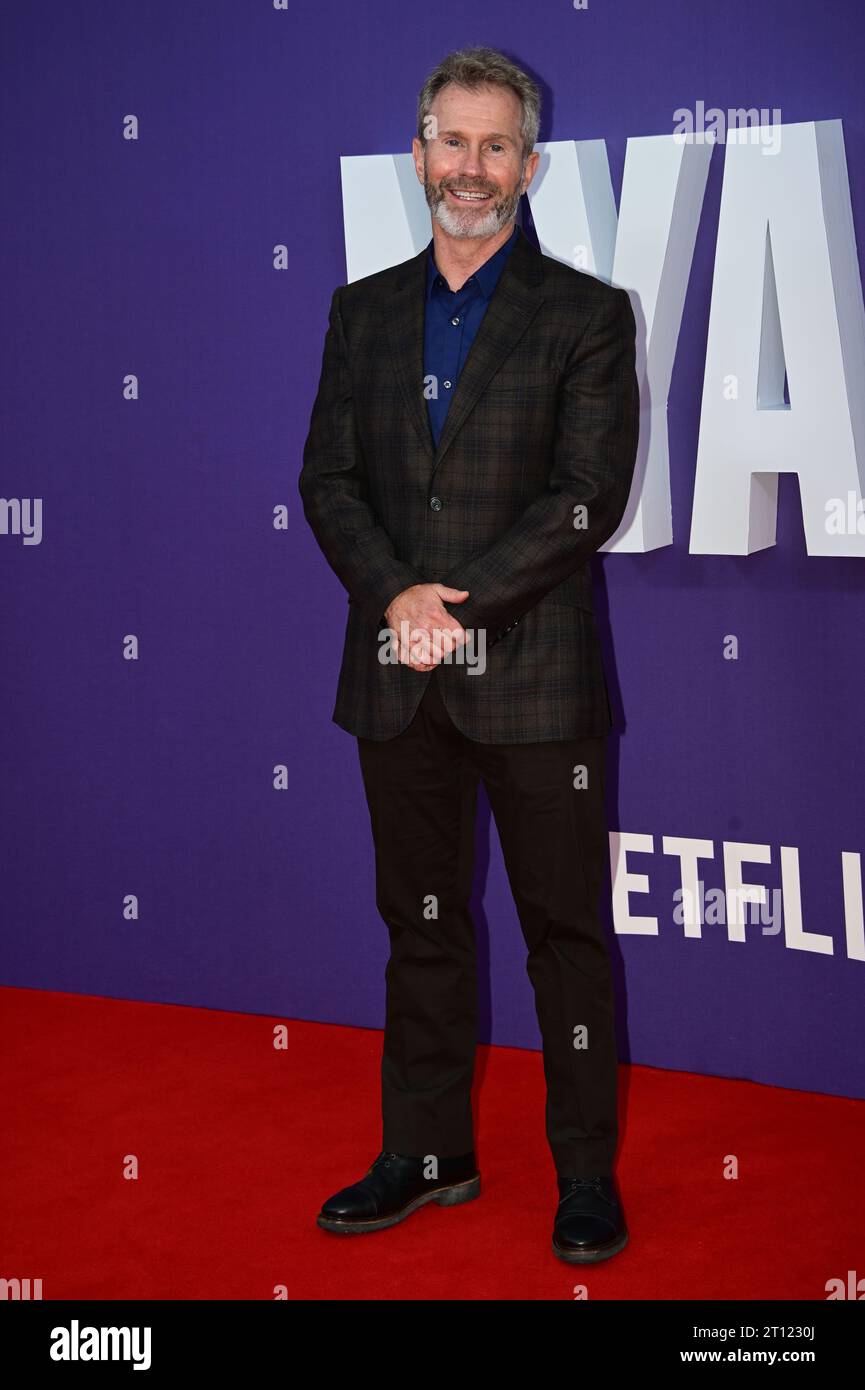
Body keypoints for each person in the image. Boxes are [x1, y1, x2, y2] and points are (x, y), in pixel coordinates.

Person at [299, 45, 640, 1263]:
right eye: (452, 141)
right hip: (398, 676)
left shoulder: (588, 316)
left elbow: (584, 498)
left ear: (531, 166)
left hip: (536, 684)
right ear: (419, 152)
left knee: (566, 939)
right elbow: (327, 481)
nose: (471, 168)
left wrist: (456, 607)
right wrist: (398, 594)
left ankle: (585, 1175)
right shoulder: (362, 310)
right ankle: (428, 1155)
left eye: (497, 147)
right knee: (424, 926)